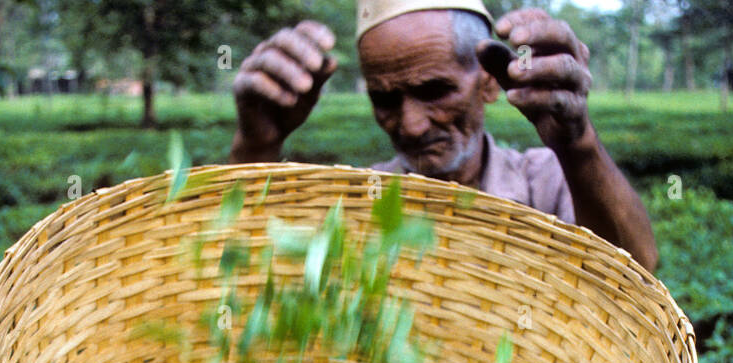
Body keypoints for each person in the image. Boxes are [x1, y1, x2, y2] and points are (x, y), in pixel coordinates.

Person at [229, 1, 658, 273]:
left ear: (490, 83)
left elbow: (635, 271)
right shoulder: (359, 200)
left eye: (435, 91)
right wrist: (256, 145)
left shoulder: (544, 181)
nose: (411, 125)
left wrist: (577, 143)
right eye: (385, 99)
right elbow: (235, 265)